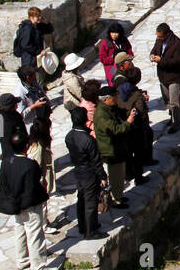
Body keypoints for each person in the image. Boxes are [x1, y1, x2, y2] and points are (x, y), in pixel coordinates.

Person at [0, 132, 55, 270]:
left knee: (20, 231)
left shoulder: (6, 161)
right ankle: (38, 268)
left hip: (14, 204)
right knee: (35, 235)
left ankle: (22, 259)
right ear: (26, 146)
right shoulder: (30, 165)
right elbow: (32, 186)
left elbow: (3, 183)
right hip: (29, 205)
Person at [64, 106, 108, 240]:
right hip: (89, 173)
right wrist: (102, 176)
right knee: (90, 203)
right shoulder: (89, 140)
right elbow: (96, 161)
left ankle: (83, 225)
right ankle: (90, 232)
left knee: (81, 199)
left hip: (78, 171)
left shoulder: (69, 136)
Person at [93, 86, 134, 210]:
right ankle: (116, 199)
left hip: (117, 147)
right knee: (115, 176)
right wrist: (129, 122)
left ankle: (119, 195)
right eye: (114, 97)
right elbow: (114, 129)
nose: (116, 98)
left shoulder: (109, 108)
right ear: (105, 99)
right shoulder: (101, 115)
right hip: (110, 149)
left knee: (120, 173)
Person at [16, 65, 54, 192]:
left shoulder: (34, 84)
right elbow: (21, 114)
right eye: (33, 74)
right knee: (37, 152)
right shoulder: (19, 93)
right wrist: (34, 106)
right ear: (27, 77)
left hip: (42, 122)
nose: (35, 76)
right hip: (33, 127)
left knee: (45, 148)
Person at [117, 64, 153, 179]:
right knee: (138, 151)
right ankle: (139, 177)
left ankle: (128, 173)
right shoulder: (136, 95)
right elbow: (141, 112)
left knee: (127, 151)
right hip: (136, 127)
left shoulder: (119, 89)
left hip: (123, 124)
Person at [150, 22, 180, 134]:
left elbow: (176, 61)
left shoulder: (177, 44)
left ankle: (176, 124)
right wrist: (152, 55)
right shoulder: (159, 40)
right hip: (163, 75)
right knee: (167, 99)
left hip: (174, 76)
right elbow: (155, 49)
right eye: (158, 36)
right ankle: (172, 117)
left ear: (167, 34)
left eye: (160, 36)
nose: (158, 38)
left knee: (174, 101)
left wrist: (161, 60)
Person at [13, 6, 54, 70]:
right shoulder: (27, 29)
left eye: (40, 16)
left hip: (36, 57)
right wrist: (39, 51)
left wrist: (47, 22)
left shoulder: (38, 25)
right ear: (31, 17)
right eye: (37, 16)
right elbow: (25, 45)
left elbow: (49, 30)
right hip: (29, 58)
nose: (40, 18)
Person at [0, 92, 28, 158]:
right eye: (15, 104)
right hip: (14, 154)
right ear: (10, 107)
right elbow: (6, 143)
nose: (17, 106)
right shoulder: (6, 124)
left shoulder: (13, 114)